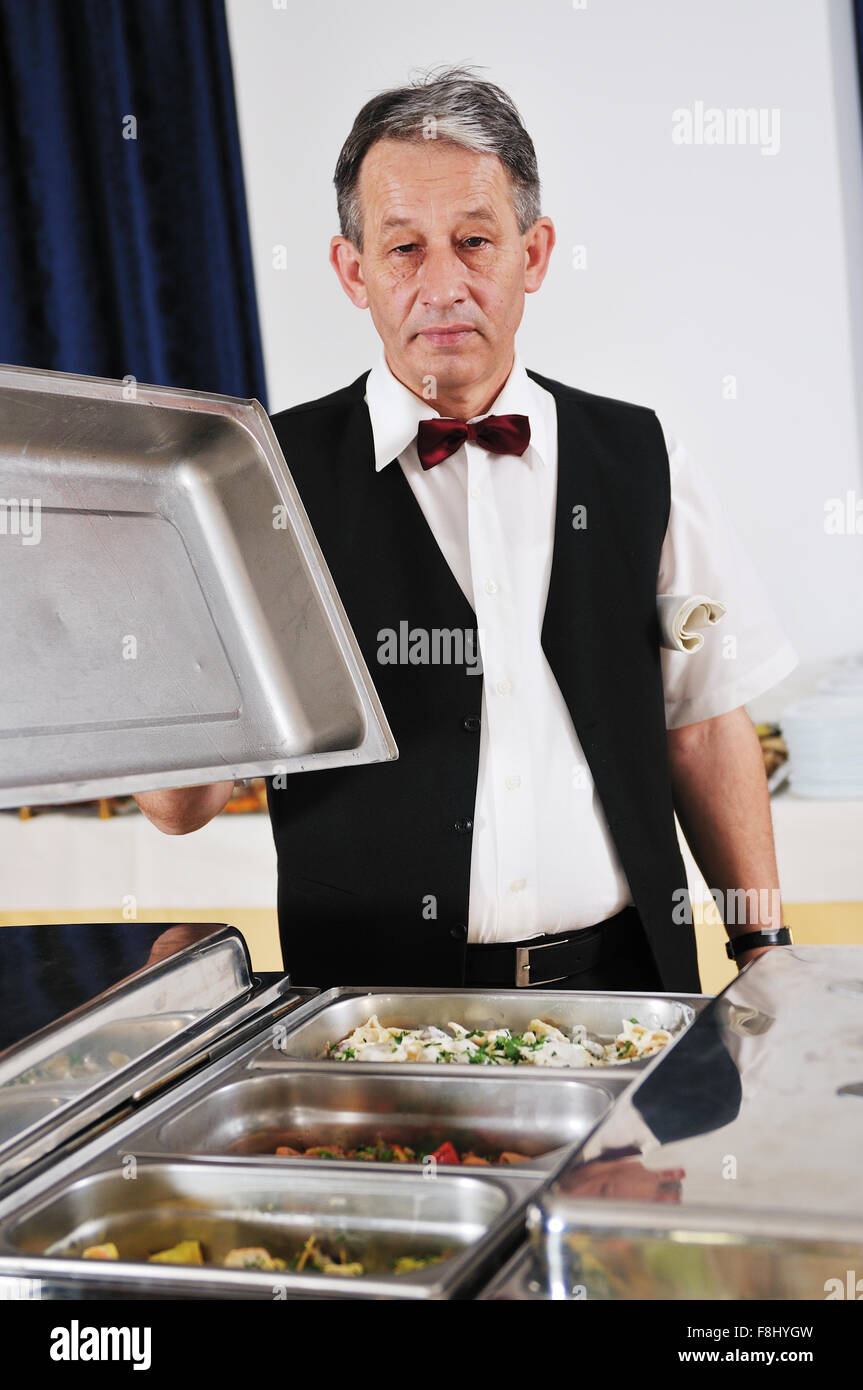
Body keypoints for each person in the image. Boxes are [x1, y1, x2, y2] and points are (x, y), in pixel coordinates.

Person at [134, 67, 798, 994]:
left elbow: (701, 721)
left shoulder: (643, 454)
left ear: (533, 254)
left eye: (474, 241)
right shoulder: (253, 476)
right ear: (351, 270)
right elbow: (178, 808)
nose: (442, 286)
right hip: (367, 1018)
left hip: (630, 995)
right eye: (403, 248)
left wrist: (762, 948)